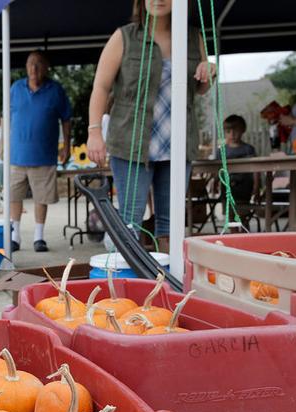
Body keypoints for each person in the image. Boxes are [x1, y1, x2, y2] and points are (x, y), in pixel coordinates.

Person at [88, 0, 216, 252]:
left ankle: (169, 283)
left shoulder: (193, 37)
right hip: (130, 143)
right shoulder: (124, 36)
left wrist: (208, 70)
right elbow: (100, 88)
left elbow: (200, 88)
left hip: (177, 144)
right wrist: (94, 132)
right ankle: (126, 278)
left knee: (171, 224)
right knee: (130, 220)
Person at [9, 50, 72, 253]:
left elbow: (66, 119)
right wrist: (2, 143)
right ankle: (15, 236)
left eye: (38, 64)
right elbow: (5, 115)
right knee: (13, 195)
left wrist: (67, 146)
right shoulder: (15, 88)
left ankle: (38, 237)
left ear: (46, 67)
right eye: (30, 64)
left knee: (41, 197)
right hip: (17, 154)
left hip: (44, 154)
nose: (33, 68)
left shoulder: (56, 90)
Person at [223, 114, 258, 204]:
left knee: (242, 210)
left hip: (244, 187)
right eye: (228, 131)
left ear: (243, 130)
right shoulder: (222, 151)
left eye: (236, 130)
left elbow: (256, 169)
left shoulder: (248, 149)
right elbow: (217, 169)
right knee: (228, 210)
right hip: (226, 187)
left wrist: (256, 185)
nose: (232, 134)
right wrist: (214, 182)